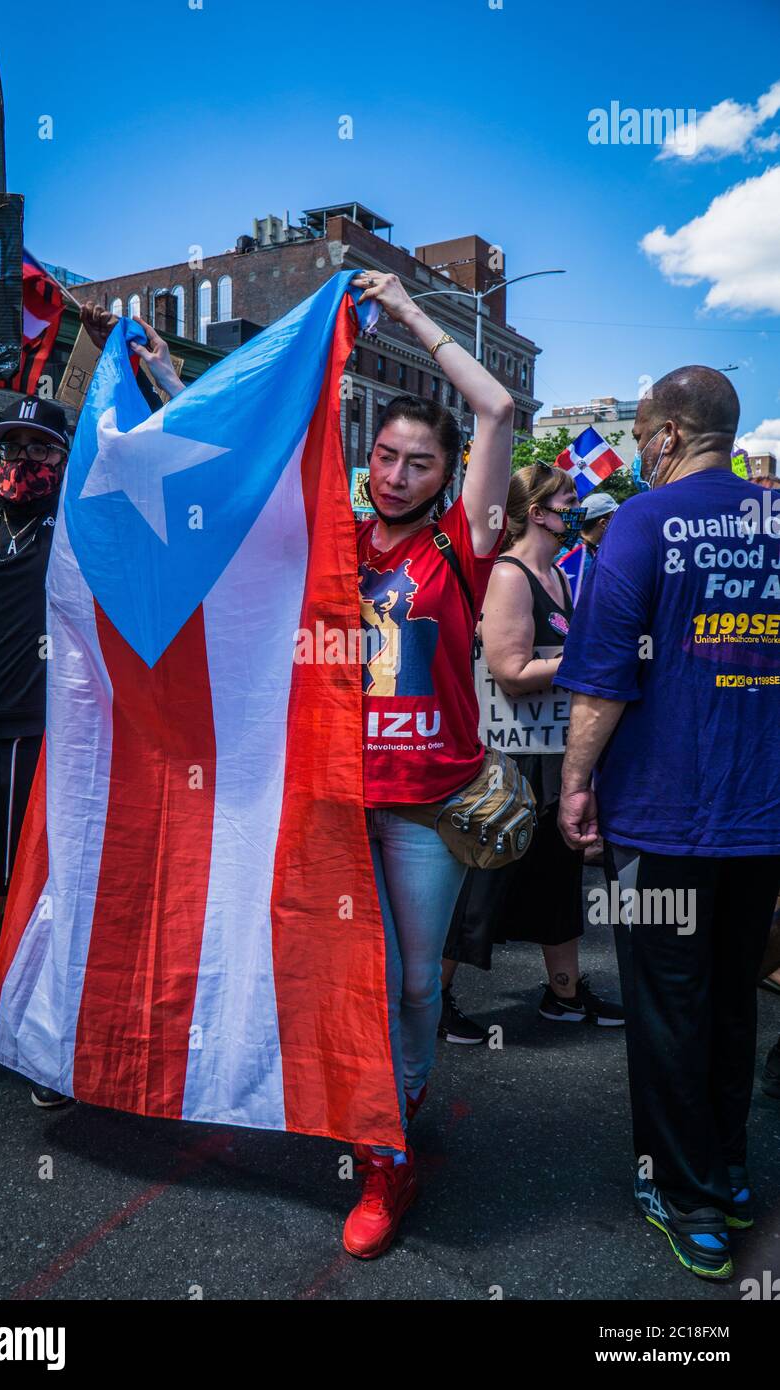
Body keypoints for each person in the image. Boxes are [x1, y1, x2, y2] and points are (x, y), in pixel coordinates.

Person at [0, 315, 182, 1118]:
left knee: (54, 895)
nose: (22, 459)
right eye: (12, 446)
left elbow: (179, 483)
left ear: (66, 461)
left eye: (40, 449)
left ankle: (49, 1039)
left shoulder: (84, 527)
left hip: (55, 741)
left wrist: (165, 381)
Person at [555, 366, 780, 1282]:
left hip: (662, 817)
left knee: (667, 1007)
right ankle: (727, 1173)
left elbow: (603, 676)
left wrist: (575, 782)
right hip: (762, 816)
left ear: (669, 434)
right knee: (732, 997)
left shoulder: (642, 523)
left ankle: (686, 1198)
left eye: (642, 431)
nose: (640, 449)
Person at [341, 269, 513, 1257]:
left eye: (418, 462)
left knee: (412, 983)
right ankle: (376, 1148)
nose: (397, 475)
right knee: (349, 976)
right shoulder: (333, 540)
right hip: (334, 799)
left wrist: (407, 311)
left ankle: (394, 1130)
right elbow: (240, 473)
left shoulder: (460, 543)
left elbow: (496, 408)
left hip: (424, 807)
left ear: (446, 476)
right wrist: (159, 374)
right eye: (385, 456)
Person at [440, 463, 624, 1043]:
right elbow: (511, 672)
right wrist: (591, 657)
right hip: (507, 761)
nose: (577, 507)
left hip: (553, 753)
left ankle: (563, 994)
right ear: (539, 512)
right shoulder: (510, 575)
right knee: (481, 886)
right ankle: (429, 1000)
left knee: (557, 881)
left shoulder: (558, 579)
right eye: (567, 499)